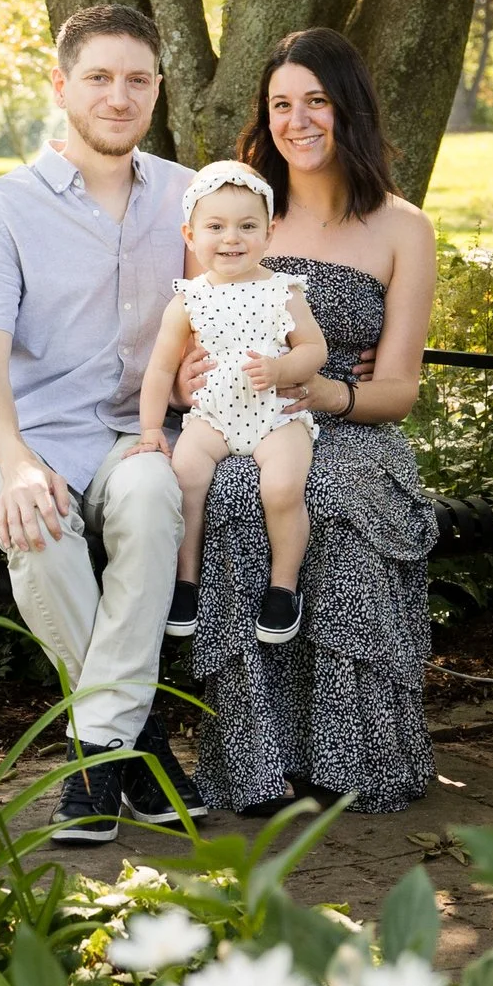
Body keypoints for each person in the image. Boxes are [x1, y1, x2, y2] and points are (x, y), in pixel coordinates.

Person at [0, 4, 209, 844]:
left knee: (149, 498)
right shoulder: (2, 210)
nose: (118, 96)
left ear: (157, 90)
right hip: (33, 440)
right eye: (98, 77)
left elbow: (220, 311)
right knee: (42, 525)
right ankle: (137, 745)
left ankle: (96, 755)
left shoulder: (186, 194)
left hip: (137, 435)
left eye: (137, 80)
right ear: (62, 88)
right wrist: (15, 463)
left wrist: (205, 360)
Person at [183, 28, 441, 815]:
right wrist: (190, 373)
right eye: (281, 104)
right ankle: (256, 763)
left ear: (348, 110)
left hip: (355, 432)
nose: (297, 121)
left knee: (329, 494)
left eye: (316, 102)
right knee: (228, 494)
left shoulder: (402, 228)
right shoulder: (237, 220)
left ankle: (348, 756)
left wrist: (336, 395)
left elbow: (397, 388)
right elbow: (197, 336)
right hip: (243, 423)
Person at [131, 161, 328, 645]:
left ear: (269, 232)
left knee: (281, 487)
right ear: (190, 234)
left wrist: (282, 370)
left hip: (276, 416)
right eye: (215, 227)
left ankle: (283, 587)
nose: (231, 238)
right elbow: (159, 368)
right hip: (214, 416)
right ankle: (186, 581)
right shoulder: (188, 300)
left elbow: (314, 349)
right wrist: (151, 428)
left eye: (247, 226)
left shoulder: (284, 291)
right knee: (185, 477)